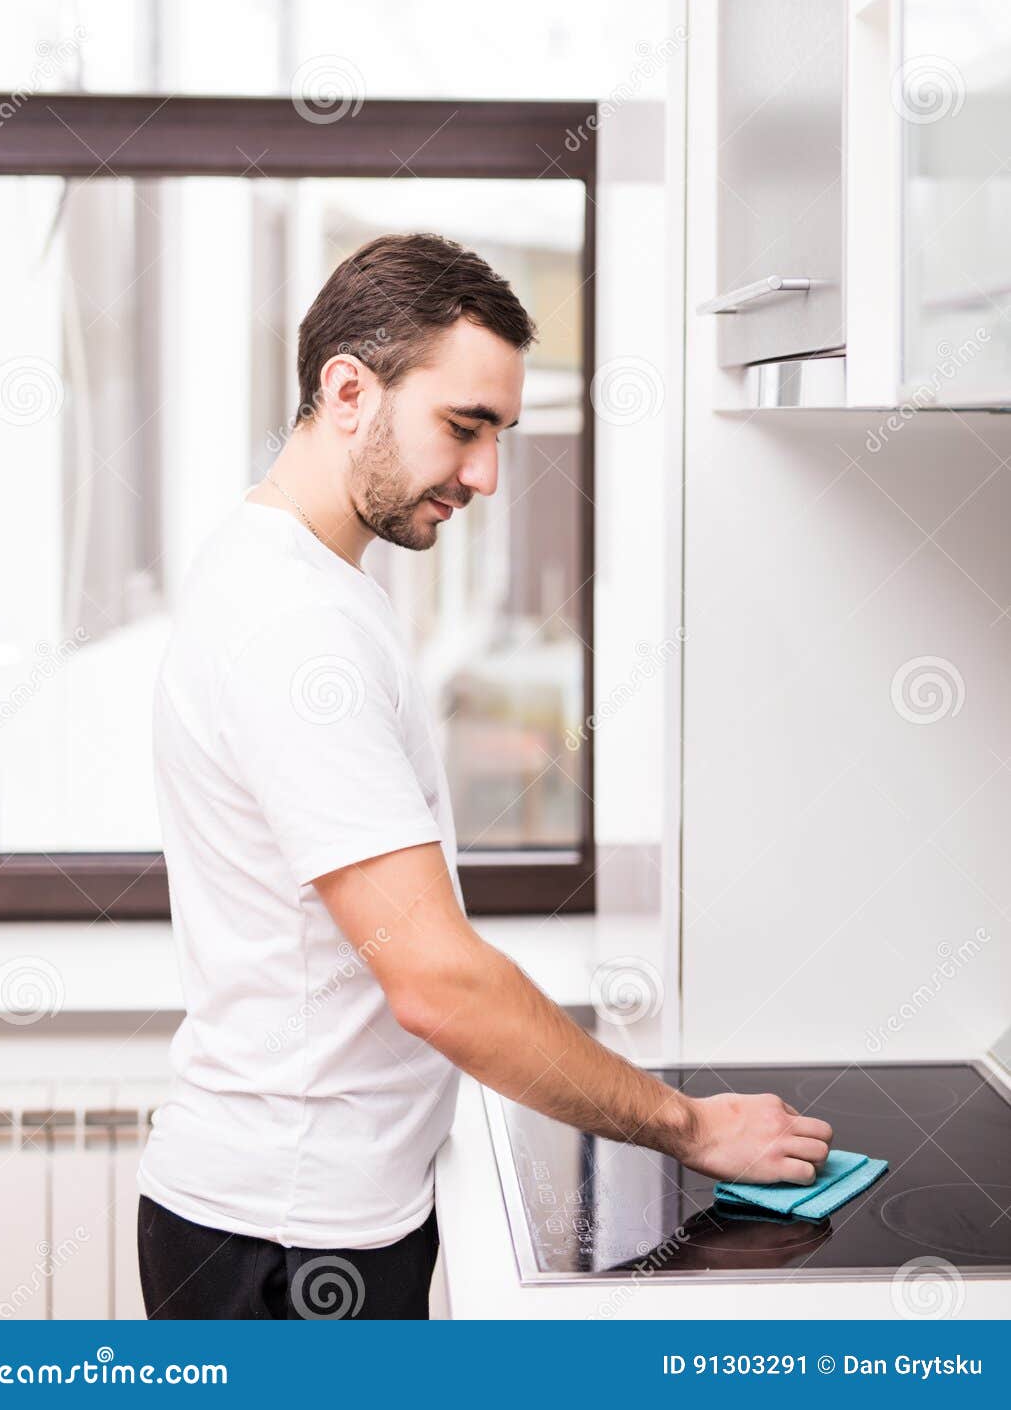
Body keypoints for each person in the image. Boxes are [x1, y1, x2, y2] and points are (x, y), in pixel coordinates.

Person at [136, 232, 832, 1320]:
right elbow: (436, 981)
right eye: (462, 427)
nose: (485, 475)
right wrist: (689, 1126)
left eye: (498, 434)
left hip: (298, 1213)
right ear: (348, 389)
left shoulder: (299, 577)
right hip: (284, 1239)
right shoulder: (295, 628)